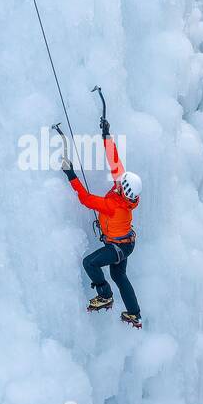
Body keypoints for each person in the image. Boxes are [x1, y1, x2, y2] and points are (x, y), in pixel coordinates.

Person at [61, 116, 143, 328]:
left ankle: (104, 295)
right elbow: (114, 161)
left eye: (120, 185)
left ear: (124, 190)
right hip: (125, 244)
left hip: (117, 247)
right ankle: (134, 313)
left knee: (89, 263)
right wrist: (106, 134)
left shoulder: (114, 205)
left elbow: (86, 199)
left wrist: (71, 175)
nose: (117, 183)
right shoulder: (128, 197)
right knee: (120, 276)